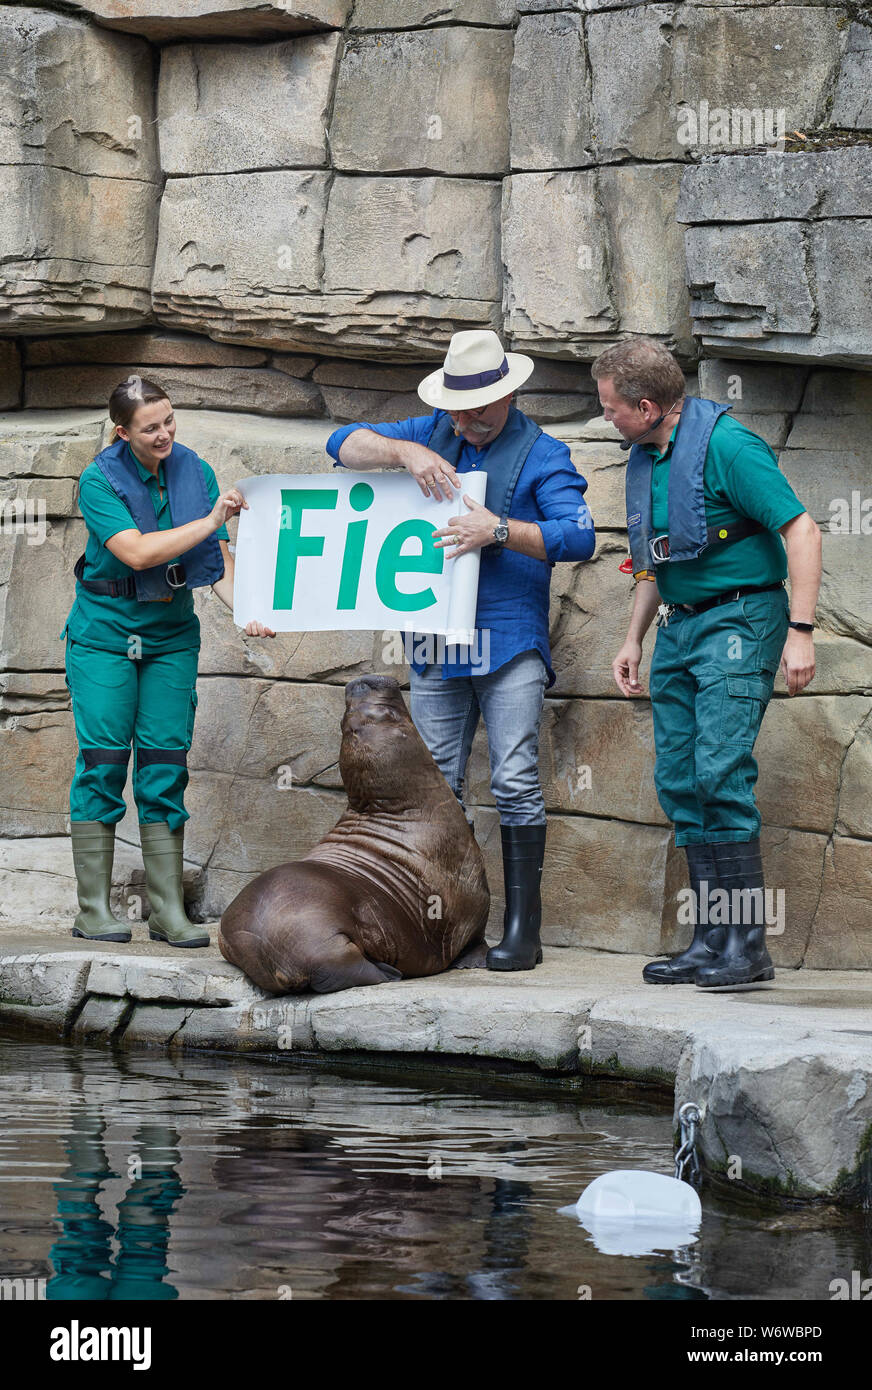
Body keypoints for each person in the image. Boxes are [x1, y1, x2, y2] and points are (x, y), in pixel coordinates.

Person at [325, 329, 596, 971]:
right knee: (440, 785)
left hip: (509, 640)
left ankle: (522, 933)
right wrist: (406, 453)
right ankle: (452, 930)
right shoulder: (435, 430)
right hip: (437, 641)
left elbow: (579, 536)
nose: (466, 420)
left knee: (514, 778)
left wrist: (498, 529)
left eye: (478, 408)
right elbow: (340, 442)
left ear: (508, 394)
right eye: (456, 408)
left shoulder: (544, 453)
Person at [596, 338, 821, 988]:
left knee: (720, 772)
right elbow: (655, 560)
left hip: (739, 619)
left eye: (611, 408)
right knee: (682, 781)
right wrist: (633, 637)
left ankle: (747, 948)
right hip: (680, 627)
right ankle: (711, 942)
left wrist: (800, 632)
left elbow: (802, 530)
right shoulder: (646, 457)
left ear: (645, 405)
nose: (605, 417)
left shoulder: (729, 447)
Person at [60, 375, 275, 948]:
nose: (164, 434)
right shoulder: (99, 480)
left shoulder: (195, 471)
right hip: (106, 634)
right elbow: (134, 551)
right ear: (122, 431)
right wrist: (210, 520)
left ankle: (166, 911)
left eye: (169, 420)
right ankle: (93, 909)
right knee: (104, 762)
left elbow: (216, 558)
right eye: (150, 427)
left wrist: (245, 610)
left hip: (170, 636)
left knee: (163, 764)